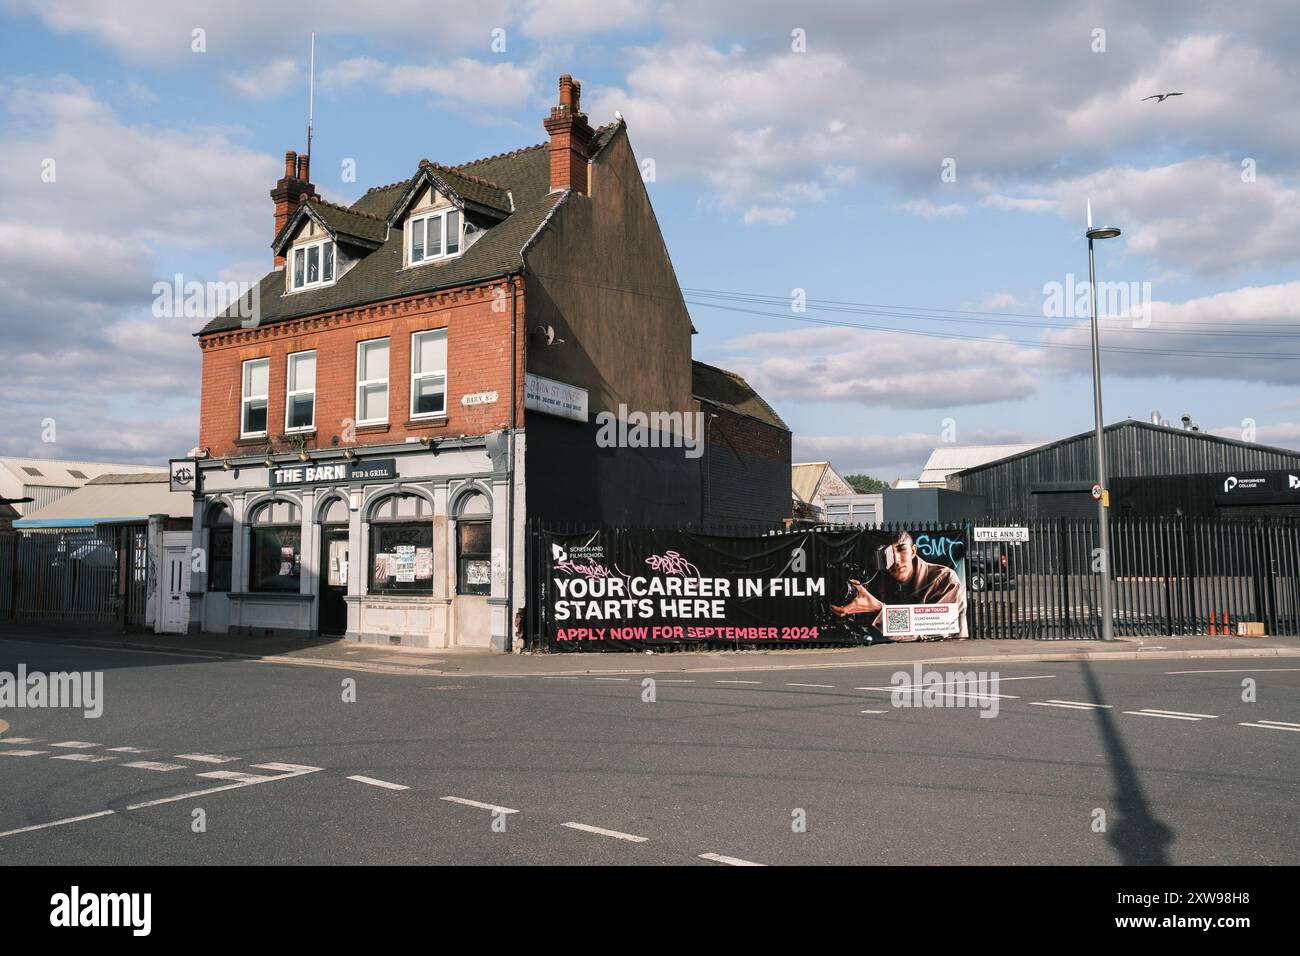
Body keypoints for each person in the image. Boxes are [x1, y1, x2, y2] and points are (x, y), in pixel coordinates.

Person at [830, 530, 967, 639]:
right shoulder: (878, 580)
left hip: (941, 652)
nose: (895, 560)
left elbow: (931, 631)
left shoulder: (944, 578)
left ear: (913, 551)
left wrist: (878, 610)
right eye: (887, 554)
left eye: (902, 550)